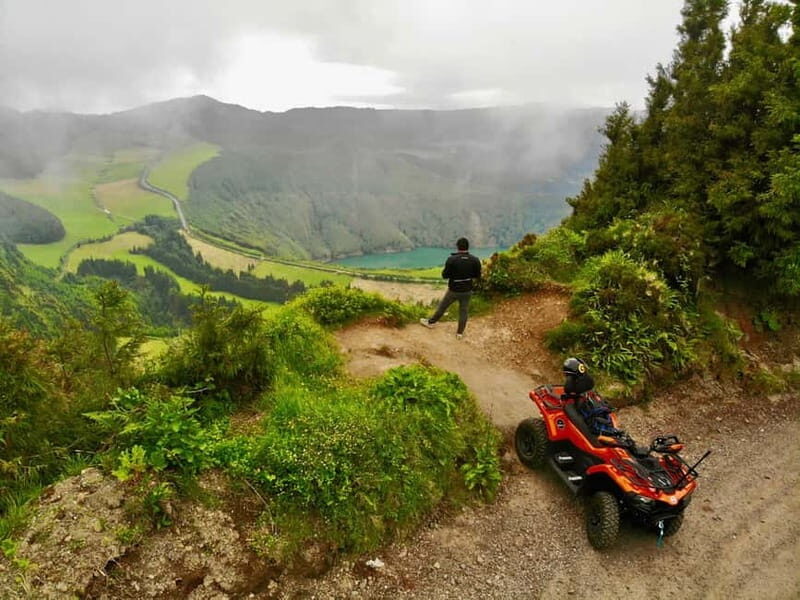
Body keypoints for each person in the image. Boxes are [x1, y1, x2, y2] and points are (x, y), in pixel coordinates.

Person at [419, 237, 482, 339]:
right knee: (463, 311)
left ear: (457, 247)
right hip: (467, 290)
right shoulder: (475, 260)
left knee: (442, 307)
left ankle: (431, 322)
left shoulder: (452, 259)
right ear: (467, 247)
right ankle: (460, 333)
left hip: (454, 290)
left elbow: (445, 275)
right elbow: (477, 276)